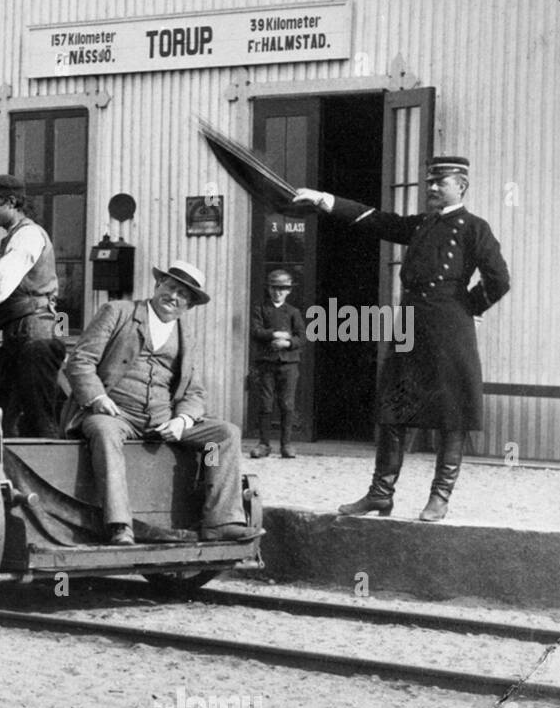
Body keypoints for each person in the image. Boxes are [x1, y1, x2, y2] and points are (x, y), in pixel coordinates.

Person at [294, 156, 510, 520]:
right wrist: (323, 199)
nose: (432, 188)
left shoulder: (475, 228)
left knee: (451, 413)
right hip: (410, 324)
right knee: (393, 407)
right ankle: (380, 493)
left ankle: (439, 498)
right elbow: (377, 220)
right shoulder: (422, 225)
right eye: (429, 182)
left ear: (462, 186)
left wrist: (467, 307)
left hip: (449, 328)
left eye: (440, 182)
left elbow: (499, 279)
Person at [62, 260, 254, 545]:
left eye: (183, 296)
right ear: (157, 285)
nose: (174, 297)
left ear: (189, 306)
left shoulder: (186, 336)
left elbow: (194, 391)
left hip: (163, 420)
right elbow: (80, 361)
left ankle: (220, 520)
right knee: (104, 432)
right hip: (115, 414)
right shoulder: (117, 312)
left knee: (224, 435)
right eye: (171, 287)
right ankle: (119, 525)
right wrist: (98, 397)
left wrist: (183, 420)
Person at [0, 174, 64, 437]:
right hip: (20, 338)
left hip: (34, 340)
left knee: (41, 424)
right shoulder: (15, 238)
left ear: (10, 202)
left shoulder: (27, 236)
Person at [249, 268, 306, 459]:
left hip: (289, 365)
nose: (278, 292)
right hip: (266, 364)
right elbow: (255, 331)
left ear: (289, 291)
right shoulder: (260, 309)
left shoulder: (293, 312)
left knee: (287, 404)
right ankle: (264, 444)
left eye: (283, 288)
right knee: (265, 404)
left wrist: (287, 343)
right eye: (275, 288)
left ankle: (286, 445)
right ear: (269, 288)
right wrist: (274, 334)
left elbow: (302, 337)